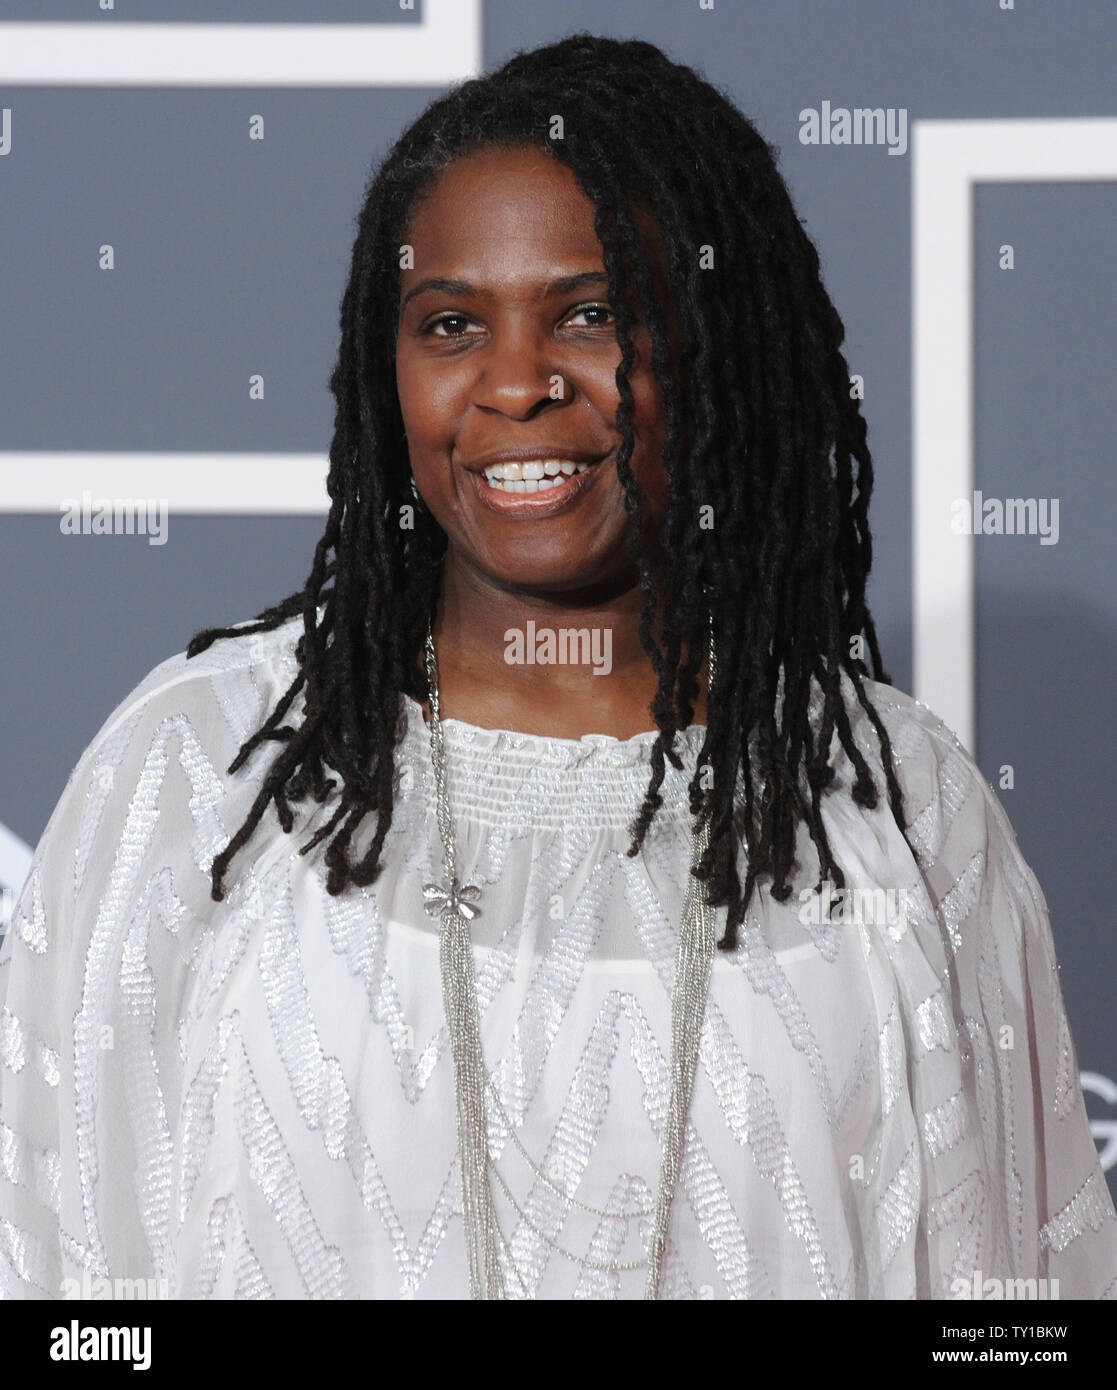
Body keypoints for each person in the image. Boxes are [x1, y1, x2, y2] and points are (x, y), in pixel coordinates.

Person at [1, 33, 1114, 1301]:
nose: (517, 385)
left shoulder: (891, 807)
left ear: (712, 345)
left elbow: (1023, 1299)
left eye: (591, 314)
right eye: (452, 324)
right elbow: (48, 1275)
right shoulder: (206, 771)